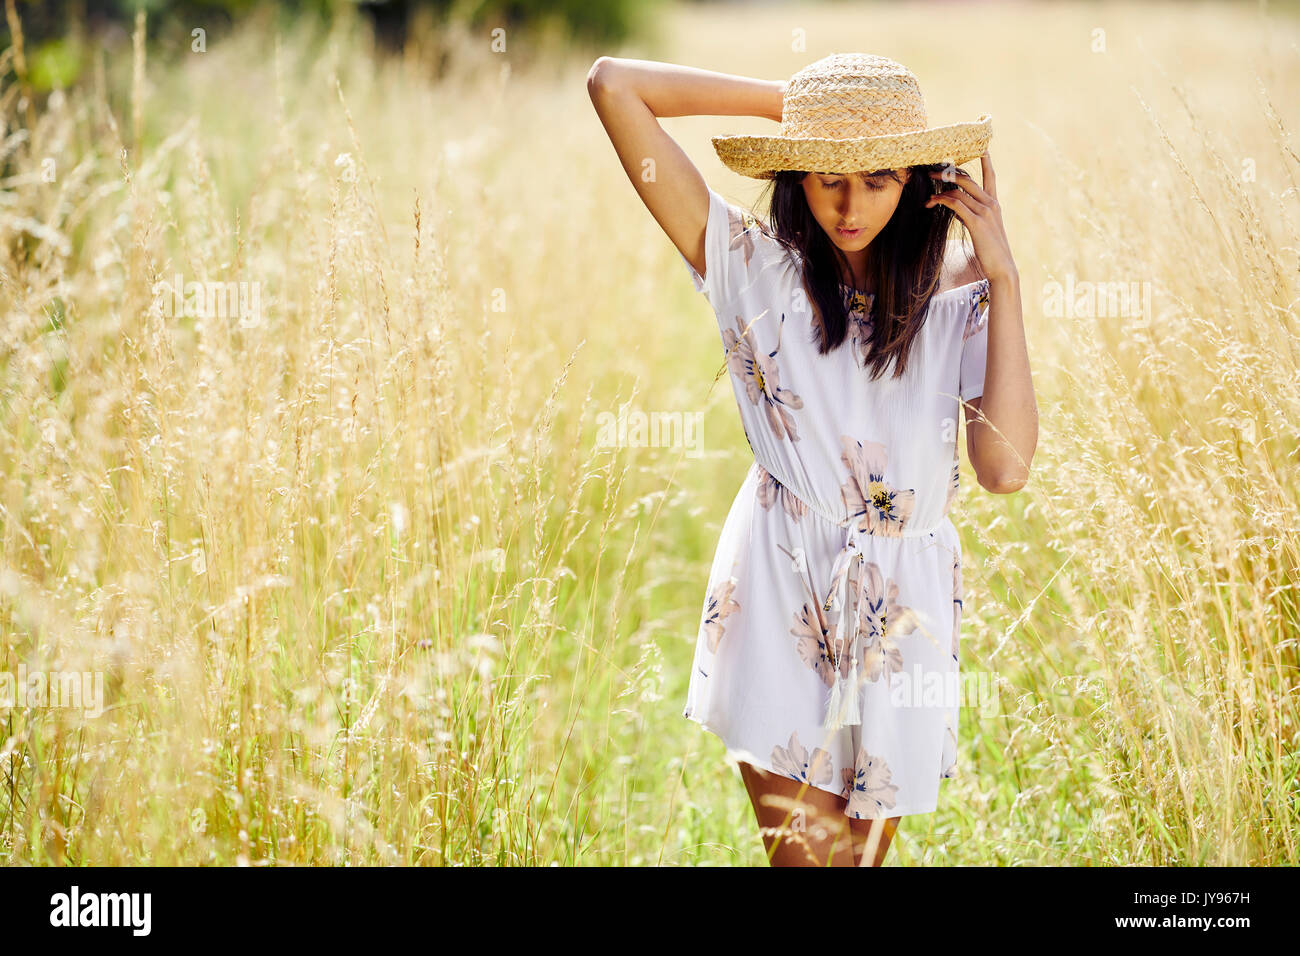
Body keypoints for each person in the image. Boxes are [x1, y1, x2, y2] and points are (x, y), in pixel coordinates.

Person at [587, 52, 1038, 866]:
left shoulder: (962, 295)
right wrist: (792, 110)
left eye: (876, 177)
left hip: (906, 601)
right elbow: (613, 85)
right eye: (825, 174)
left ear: (917, 182)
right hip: (780, 579)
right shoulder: (753, 268)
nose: (847, 201)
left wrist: (1004, 277)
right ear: (797, 174)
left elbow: (1004, 470)